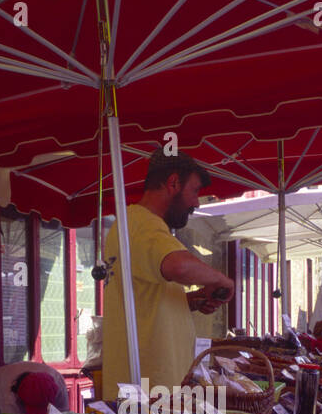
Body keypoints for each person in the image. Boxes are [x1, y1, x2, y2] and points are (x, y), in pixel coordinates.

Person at [101, 149, 235, 397]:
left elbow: (143, 299)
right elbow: (179, 266)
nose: (196, 202)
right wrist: (222, 279)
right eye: (194, 191)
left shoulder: (132, 224)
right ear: (173, 183)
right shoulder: (143, 224)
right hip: (149, 390)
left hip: (145, 386)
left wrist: (190, 301)